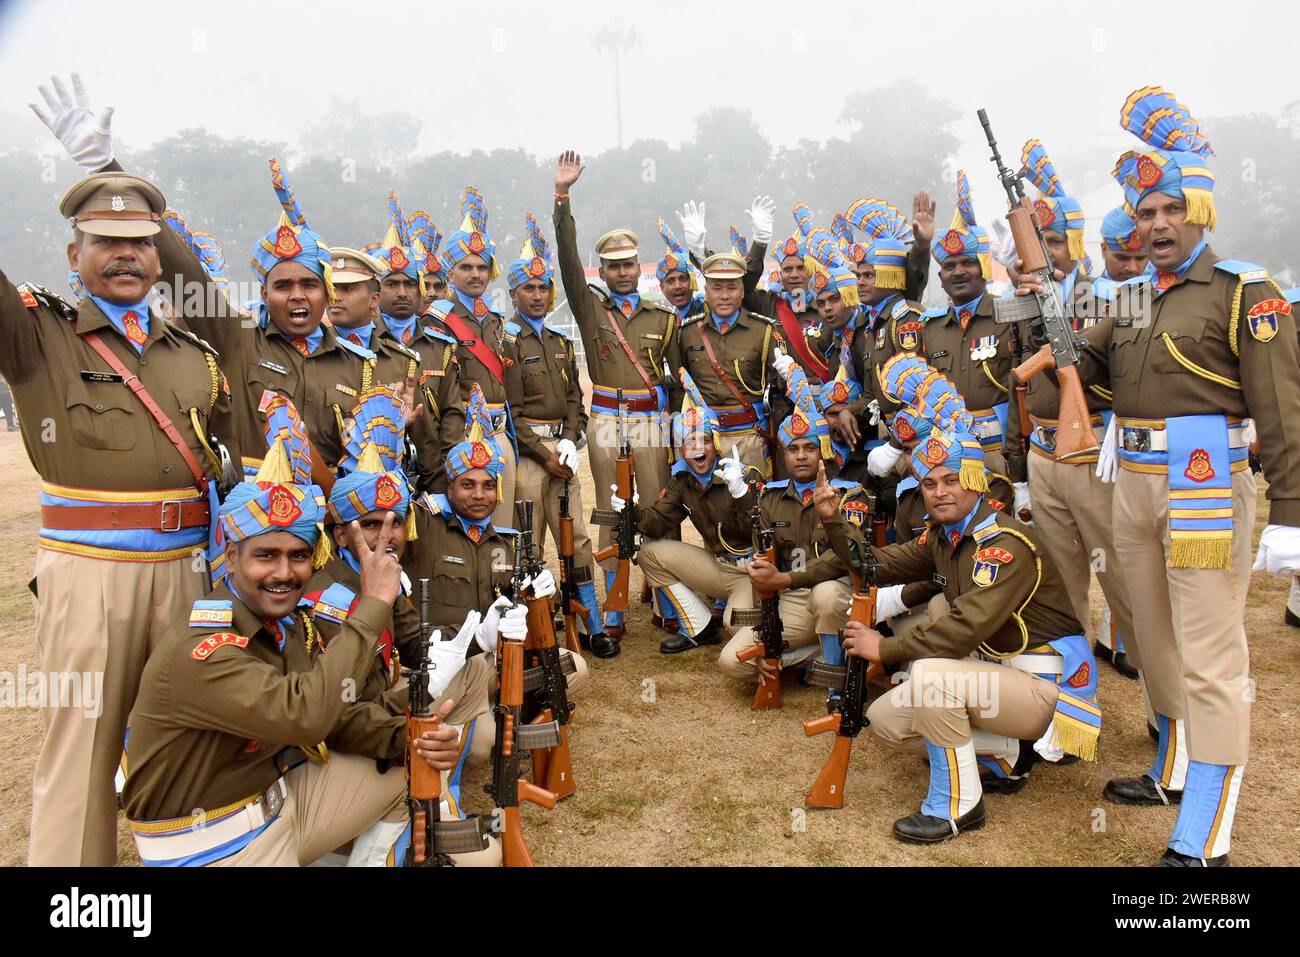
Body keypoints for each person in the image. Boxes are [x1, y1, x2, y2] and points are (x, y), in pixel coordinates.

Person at [1023, 87, 1300, 865]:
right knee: (1154, 641)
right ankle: (1173, 764)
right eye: (1144, 214)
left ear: (1200, 211)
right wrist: (1047, 303)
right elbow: (1081, 370)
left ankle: (1205, 827)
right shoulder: (1137, 297)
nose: (1156, 226)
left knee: (1211, 653)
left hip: (1206, 486)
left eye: (1170, 210)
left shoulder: (1247, 289)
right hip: (1134, 482)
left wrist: (1292, 512)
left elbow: (1282, 408)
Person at [2, 137, 236, 865]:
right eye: (104, 241)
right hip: (90, 573)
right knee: (84, 744)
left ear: (160, 257)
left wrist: (110, 163)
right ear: (74, 255)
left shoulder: (194, 350)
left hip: (188, 571)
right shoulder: (39, 335)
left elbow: (218, 306)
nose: (124, 254)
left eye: (139, 241)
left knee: (192, 737)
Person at [120, 405, 486, 866]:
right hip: (212, 845)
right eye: (266, 555)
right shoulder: (203, 648)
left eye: (297, 556)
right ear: (230, 556)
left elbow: (339, 715)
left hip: (280, 809)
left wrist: (410, 737)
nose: (284, 573)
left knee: (418, 770)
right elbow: (306, 716)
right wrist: (374, 604)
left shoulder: (283, 624)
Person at [816, 424, 1100, 844]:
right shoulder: (943, 537)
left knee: (931, 675)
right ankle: (1011, 753)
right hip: (999, 678)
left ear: (975, 481)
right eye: (929, 483)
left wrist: (885, 647)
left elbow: (962, 630)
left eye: (951, 480)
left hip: (1045, 687)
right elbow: (874, 562)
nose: (939, 491)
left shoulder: (1004, 543)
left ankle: (957, 805)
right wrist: (832, 519)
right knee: (886, 719)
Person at [999, 143, 1142, 704]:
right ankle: (1068, 703)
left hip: (1096, 457)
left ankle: (1166, 712)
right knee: (1058, 584)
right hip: (1044, 455)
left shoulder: (1121, 297)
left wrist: (1059, 299)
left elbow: (1122, 353)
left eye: (1057, 241)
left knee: (1127, 585)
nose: (1050, 252)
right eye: (1043, 241)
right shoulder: (1030, 297)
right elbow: (1014, 376)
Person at [553, 149, 680, 639]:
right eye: (614, 266)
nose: (623, 272)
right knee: (611, 509)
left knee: (656, 507)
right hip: (605, 420)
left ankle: (667, 598)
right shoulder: (590, 309)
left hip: (650, 423)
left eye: (629, 264)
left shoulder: (662, 318)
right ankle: (614, 603)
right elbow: (566, 260)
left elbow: (677, 377)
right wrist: (563, 198)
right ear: (601, 272)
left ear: (637, 268)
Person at [502, 215, 614, 658]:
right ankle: (533, 628)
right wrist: (543, 452)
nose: (537, 295)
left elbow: (575, 398)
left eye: (543, 289)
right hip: (530, 457)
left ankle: (591, 621)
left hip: (563, 454)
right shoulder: (506, 342)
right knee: (529, 543)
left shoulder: (559, 342)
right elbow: (509, 410)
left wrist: (571, 439)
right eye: (528, 289)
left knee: (578, 541)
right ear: (513, 293)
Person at [720, 366, 865, 687]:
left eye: (810, 448)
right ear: (784, 456)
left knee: (826, 596)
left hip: (838, 595)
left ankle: (834, 675)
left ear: (822, 452)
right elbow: (762, 556)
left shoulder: (850, 494)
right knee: (732, 662)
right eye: (793, 449)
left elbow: (848, 558)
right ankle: (812, 655)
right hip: (793, 597)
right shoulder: (770, 499)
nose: (801, 456)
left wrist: (785, 578)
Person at [613, 372, 763, 654]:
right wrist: (629, 507)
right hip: (718, 568)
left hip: (751, 571)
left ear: (715, 444)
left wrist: (741, 493)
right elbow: (657, 524)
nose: (698, 448)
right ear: (681, 450)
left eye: (704, 440)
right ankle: (699, 627)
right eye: (690, 442)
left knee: (735, 627)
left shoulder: (741, 475)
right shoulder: (682, 481)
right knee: (650, 553)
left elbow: (760, 529)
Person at [328, 244, 460, 495]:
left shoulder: (403, 361)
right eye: (333, 289)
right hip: (332, 492)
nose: (337, 297)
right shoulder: (313, 355)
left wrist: (438, 494)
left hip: (393, 490)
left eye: (348, 289)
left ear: (372, 298)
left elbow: (428, 437)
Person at [423, 187, 517, 527]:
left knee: (504, 520)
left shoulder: (495, 320)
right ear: (452, 272)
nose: (475, 274)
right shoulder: (436, 320)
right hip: (464, 436)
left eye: (481, 266)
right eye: (466, 266)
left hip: (502, 433)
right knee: (469, 522)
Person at [919, 173, 1011, 478]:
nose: (958, 272)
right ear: (940, 277)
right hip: (948, 455)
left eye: (968, 263)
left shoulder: (1009, 315)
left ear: (983, 269)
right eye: (949, 266)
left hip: (999, 454)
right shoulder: (930, 329)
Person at [669, 249, 788, 477]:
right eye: (717, 288)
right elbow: (678, 387)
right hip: (703, 440)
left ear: (743, 291)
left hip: (749, 437)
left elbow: (780, 390)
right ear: (706, 291)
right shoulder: (687, 333)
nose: (724, 296)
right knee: (709, 509)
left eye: (732, 287)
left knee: (753, 506)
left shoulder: (764, 331)